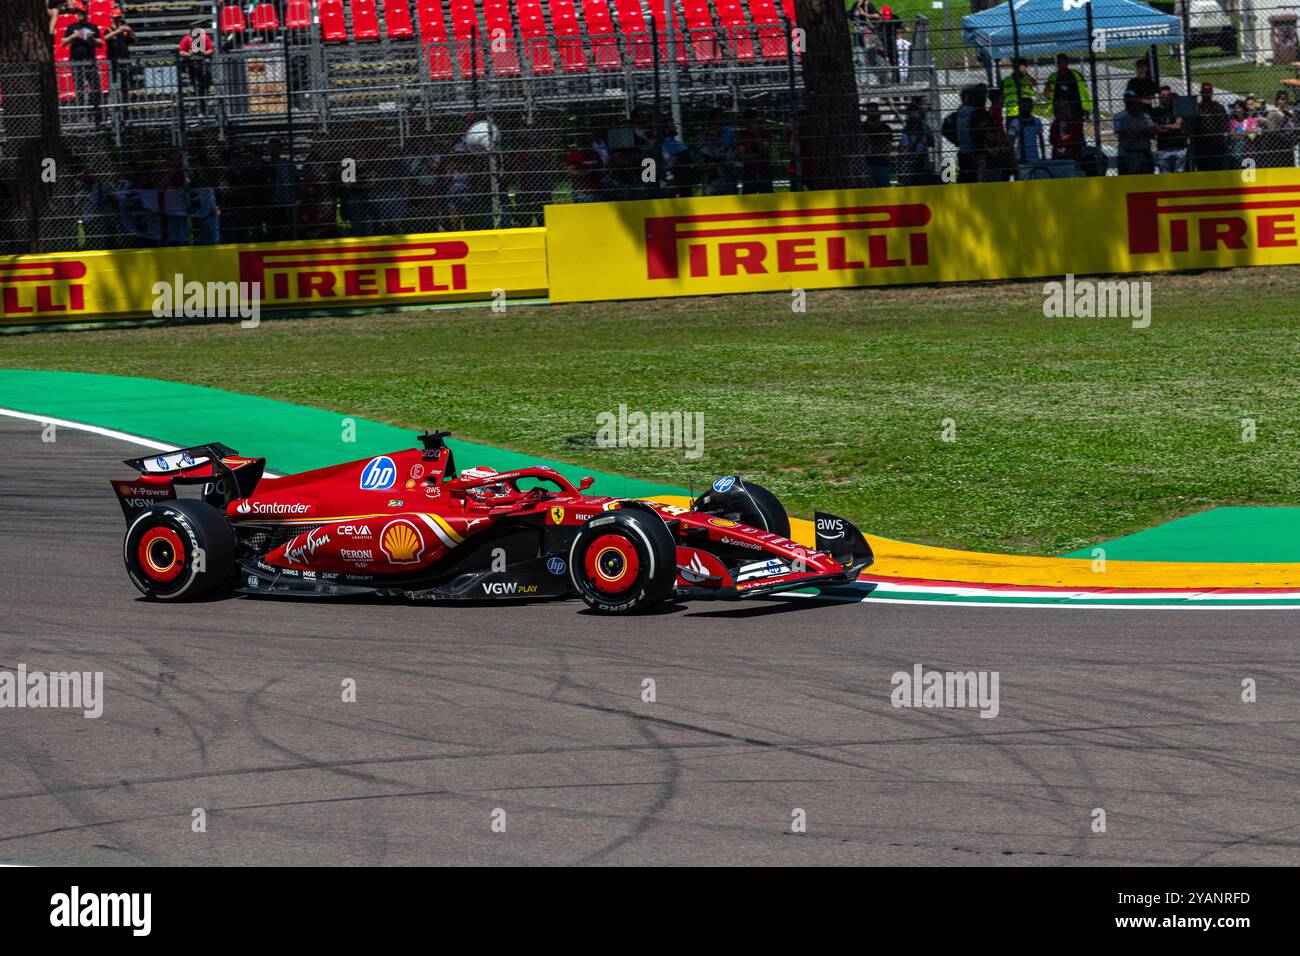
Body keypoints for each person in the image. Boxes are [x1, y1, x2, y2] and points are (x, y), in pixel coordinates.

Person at [61, 7, 103, 123]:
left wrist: (92, 38)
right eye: (79, 13)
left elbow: (100, 44)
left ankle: (95, 113)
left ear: (87, 14)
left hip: (90, 61)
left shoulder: (92, 27)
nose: (80, 15)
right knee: (79, 88)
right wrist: (74, 36)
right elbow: (63, 42)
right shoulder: (71, 27)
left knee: (95, 87)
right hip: (76, 61)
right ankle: (81, 115)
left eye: (82, 13)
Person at [1114, 89, 1156, 174]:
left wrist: (1136, 133)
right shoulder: (1121, 117)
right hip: (1127, 153)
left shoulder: (1145, 116)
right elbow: (1126, 135)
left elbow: (1151, 133)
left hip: (1144, 152)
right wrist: (1143, 132)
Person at [1151, 85, 1188, 173]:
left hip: (1178, 148)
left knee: (1180, 175)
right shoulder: (1155, 111)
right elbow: (1155, 129)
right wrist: (1172, 126)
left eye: (1168, 95)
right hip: (1163, 148)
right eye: (1163, 96)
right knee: (1165, 176)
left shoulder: (1177, 109)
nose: (1166, 98)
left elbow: (1178, 126)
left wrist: (1164, 126)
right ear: (1159, 97)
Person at [1046, 53, 1092, 123]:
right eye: (1059, 62)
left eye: (1063, 61)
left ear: (1067, 62)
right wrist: (1047, 89)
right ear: (1057, 63)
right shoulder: (1053, 77)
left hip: (1076, 107)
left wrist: (1086, 108)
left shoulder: (1076, 75)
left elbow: (1083, 91)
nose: (1061, 64)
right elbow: (1047, 94)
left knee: (1077, 128)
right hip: (1060, 109)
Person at [1193, 82, 1229, 171]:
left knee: (1217, 168)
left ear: (1212, 92)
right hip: (1201, 145)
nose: (1206, 94)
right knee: (1203, 169)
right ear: (1201, 93)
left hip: (1216, 144)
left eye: (1208, 92)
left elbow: (1224, 125)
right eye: (1205, 92)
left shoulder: (1218, 107)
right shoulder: (1197, 107)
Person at [736, 113, 773, 195]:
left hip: (764, 170)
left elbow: (764, 150)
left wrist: (756, 135)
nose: (751, 123)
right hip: (749, 171)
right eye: (748, 121)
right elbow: (742, 157)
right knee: (748, 198)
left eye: (752, 121)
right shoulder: (742, 135)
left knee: (767, 197)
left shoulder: (764, 133)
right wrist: (758, 155)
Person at [178, 28, 213, 113]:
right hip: (191, 62)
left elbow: (211, 50)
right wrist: (189, 54)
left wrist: (203, 53)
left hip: (203, 60)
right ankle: (200, 103)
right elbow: (181, 51)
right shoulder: (186, 39)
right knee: (197, 85)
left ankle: (205, 86)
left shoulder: (205, 38)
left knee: (207, 65)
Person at [896, 111, 933, 186]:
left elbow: (930, 144)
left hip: (922, 162)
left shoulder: (923, 134)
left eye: (916, 122)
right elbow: (906, 152)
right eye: (912, 122)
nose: (914, 124)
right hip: (910, 163)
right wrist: (916, 141)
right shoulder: (906, 135)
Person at [861, 102, 894, 187]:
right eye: (870, 111)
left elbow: (888, 146)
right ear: (866, 113)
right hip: (866, 164)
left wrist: (873, 148)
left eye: (874, 111)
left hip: (882, 163)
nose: (872, 113)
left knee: (884, 188)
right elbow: (862, 146)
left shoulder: (885, 128)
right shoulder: (862, 128)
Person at [104, 11, 133, 105]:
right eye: (115, 18)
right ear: (111, 18)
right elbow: (105, 38)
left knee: (125, 87)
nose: (117, 19)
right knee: (112, 87)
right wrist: (117, 31)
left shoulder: (124, 31)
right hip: (112, 61)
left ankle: (125, 109)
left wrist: (130, 31)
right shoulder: (108, 29)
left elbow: (134, 39)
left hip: (124, 60)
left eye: (118, 17)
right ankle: (111, 111)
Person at [565, 135, 604, 203]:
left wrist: (597, 171)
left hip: (596, 190)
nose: (588, 148)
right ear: (581, 146)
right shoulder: (574, 155)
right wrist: (584, 173)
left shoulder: (595, 154)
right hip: (581, 191)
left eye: (590, 145)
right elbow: (569, 172)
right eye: (585, 145)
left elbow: (601, 168)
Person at [1007, 97, 1045, 165]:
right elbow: (1011, 141)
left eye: (1029, 106)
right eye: (1024, 106)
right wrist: (1012, 157)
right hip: (1020, 156)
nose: (1027, 109)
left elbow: (1041, 139)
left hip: (1034, 156)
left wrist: (1043, 154)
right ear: (1020, 107)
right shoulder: (1015, 122)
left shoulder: (1037, 121)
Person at [1227, 100, 1258, 168]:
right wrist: (1248, 132)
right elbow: (1234, 137)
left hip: (1249, 153)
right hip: (1236, 153)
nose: (1236, 110)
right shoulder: (1232, 122)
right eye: (1235, 108)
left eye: (1239, 108)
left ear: (1244, 109)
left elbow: (1253, 136)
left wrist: (1239, 133)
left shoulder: (1251, 121)